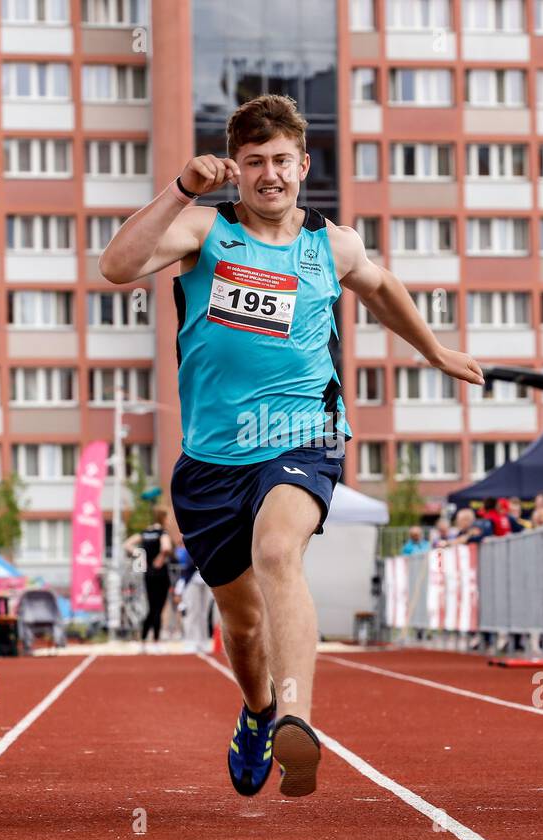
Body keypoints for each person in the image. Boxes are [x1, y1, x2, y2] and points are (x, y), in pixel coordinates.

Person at [99, 93, 483, 798]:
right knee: (242, 631)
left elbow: (380, 288)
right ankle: (258, 712)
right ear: (236, 171)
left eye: (281, 160)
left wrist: (433, 352)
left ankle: (297, 718)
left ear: (303, 165)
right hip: (211, 460)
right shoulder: (201, 231)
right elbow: (117, 266)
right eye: (253, 163)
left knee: (279, 550)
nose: (269, 174)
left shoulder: (330, 246)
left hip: (301, 436)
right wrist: (182, 187)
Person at [124, 505, 174, 644]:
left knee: (151, 607)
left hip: (148, 573)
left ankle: (144, 639)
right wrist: (161, 558)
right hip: (161, 572)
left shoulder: (145, 532)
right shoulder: (162, 533)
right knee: (159, 607)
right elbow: (166, 547)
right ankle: (156, 640)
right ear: (163, 518)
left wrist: (140, 555)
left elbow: (127, 544)